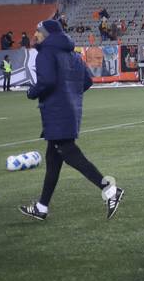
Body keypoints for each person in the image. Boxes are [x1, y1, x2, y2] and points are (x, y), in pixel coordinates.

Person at [18, 19, 124, 222]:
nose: (36, 34)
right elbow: (87, 80)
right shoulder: (73, 54)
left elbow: (47, 81)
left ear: (47, 34)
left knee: (70, 154)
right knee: (53, 161)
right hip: (70, 110)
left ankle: (110, 190)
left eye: (38, 31)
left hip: (56, 111)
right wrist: (70, 94)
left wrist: (32, 92)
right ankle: (41, 207)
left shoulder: (46, 53)